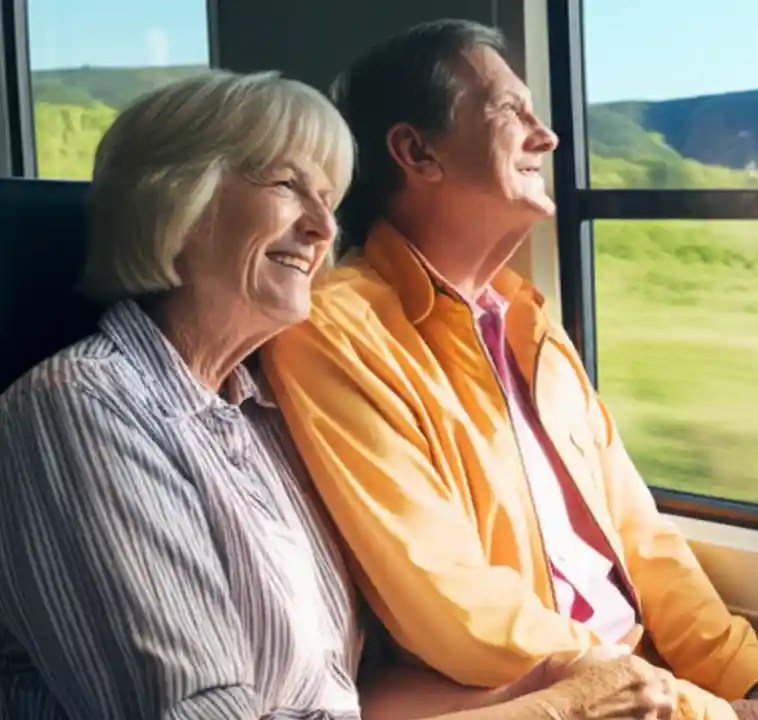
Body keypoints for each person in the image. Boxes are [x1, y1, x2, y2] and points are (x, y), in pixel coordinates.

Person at [261, 19, 758, 720]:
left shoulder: (527, 321)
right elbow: (454, 611)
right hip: (581, 697)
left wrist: (751, 679)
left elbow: (644, 537)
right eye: (511, 111)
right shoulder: (337, 331)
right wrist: (708, 709)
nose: (547, 136)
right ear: (417, 152)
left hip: (661, 680)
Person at [0, 70, 677, 720]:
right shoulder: (83, 407)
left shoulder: (262, 417)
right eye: (288, 185)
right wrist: (558, 710)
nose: (324, 230)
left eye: (328, 199)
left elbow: (348, 698)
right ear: (178, 199)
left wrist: (552, 682)